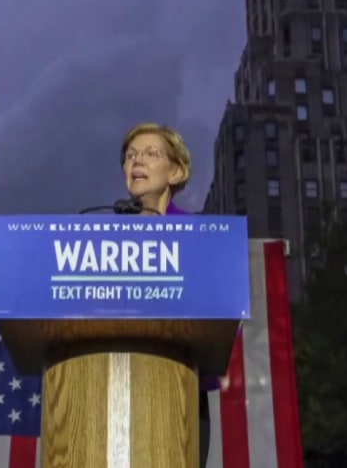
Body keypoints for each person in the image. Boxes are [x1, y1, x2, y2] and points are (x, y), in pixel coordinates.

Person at [119, 122, 213, 467]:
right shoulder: (99, 240)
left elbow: (220, 314)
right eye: (130, 156)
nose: (136, 161)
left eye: (150, 153)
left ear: (175, 171)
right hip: (113, 386)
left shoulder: (201, 239)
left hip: (180, 394)